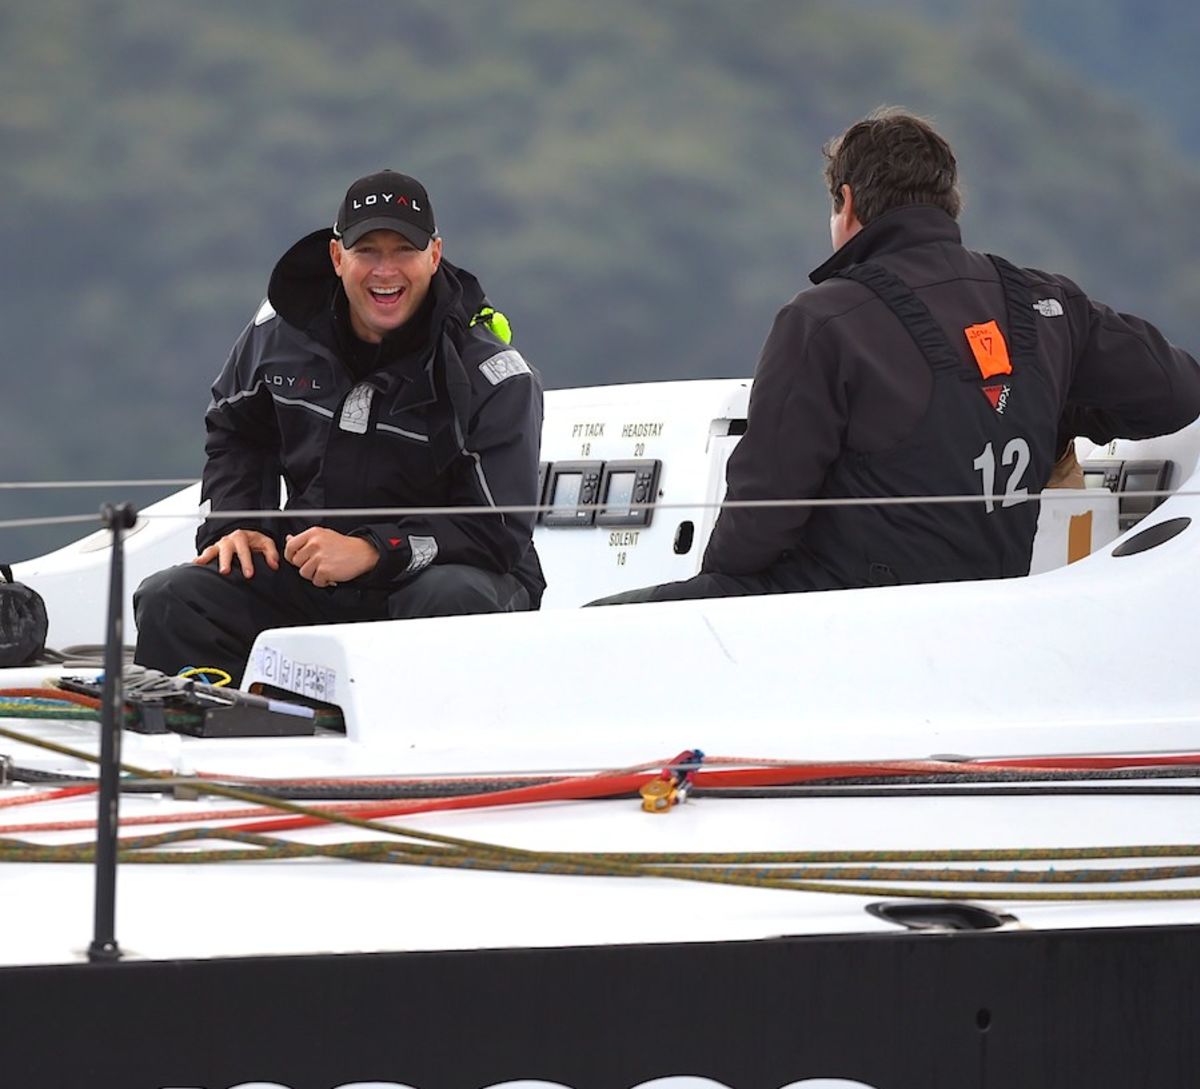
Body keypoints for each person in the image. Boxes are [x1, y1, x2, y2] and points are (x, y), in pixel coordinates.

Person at [593, 107, 1200, 605]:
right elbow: (1177, 393)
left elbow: (759, 525)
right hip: (995, 608)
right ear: (947, 204)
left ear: (848, 202)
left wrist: (716, 585)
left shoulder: (822, 320)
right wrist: (1047, 414)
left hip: (844, 611)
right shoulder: (1048, 302)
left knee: (597, 626)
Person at [134, 170, 544, 683]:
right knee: (171, 598)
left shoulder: (494, 375)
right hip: (315, 570)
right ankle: (222, 726)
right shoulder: (276, 333)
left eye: (405, 250)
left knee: (447, 598)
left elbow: (496, 531)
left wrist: (373, 551)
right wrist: (239, 523)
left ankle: (411, 734)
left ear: (434, 255)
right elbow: (236, 430)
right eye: (367, 250)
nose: (385, 271)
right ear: (336, 256)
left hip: (446, 576)